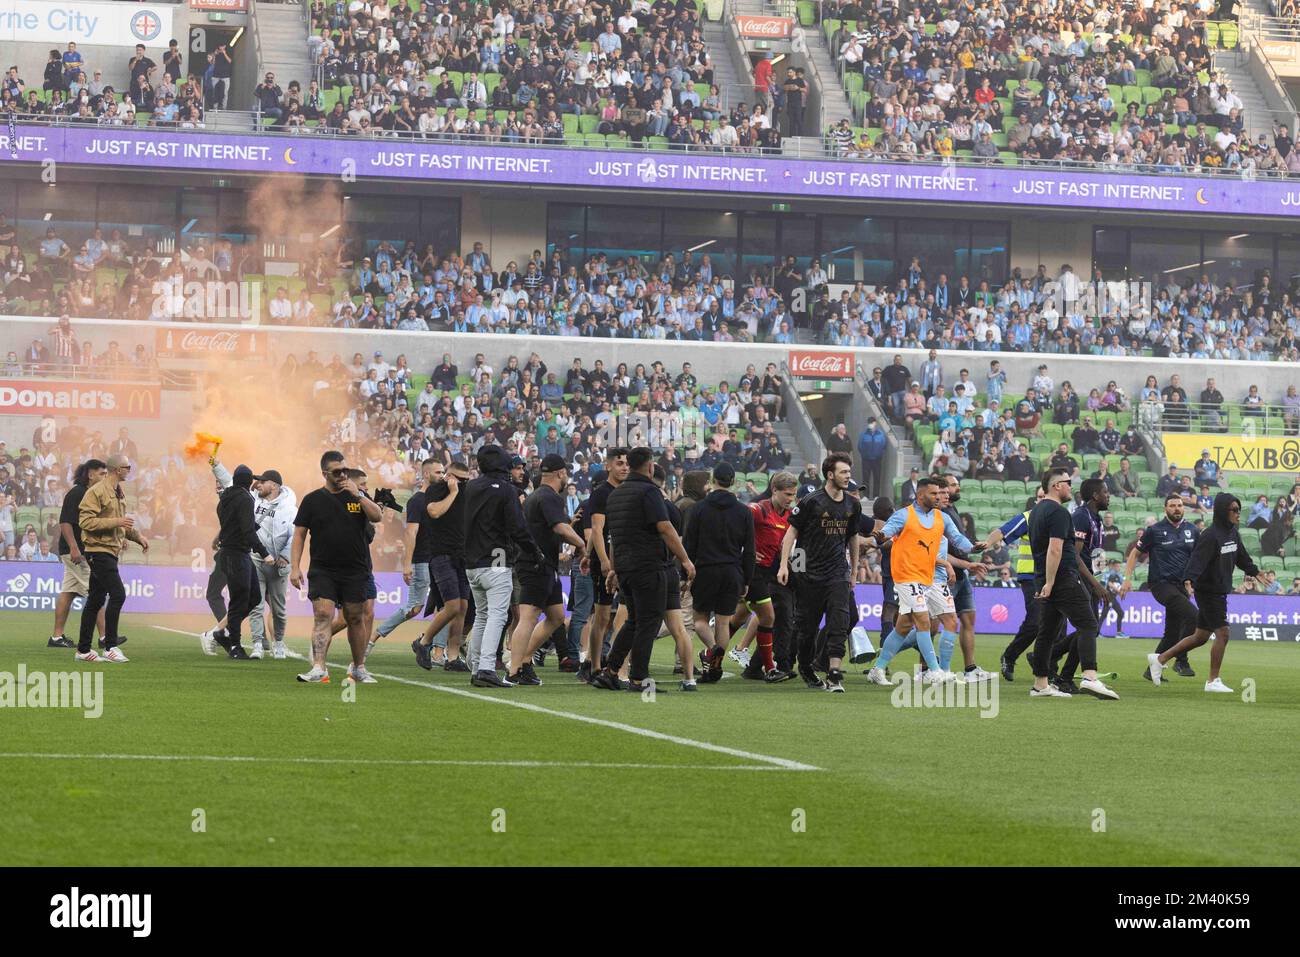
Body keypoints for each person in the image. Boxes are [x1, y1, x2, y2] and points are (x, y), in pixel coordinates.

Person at [592, 447, 695, 692]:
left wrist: (614, 570)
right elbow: (665, 527)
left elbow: (614, 536)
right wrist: (686, 560)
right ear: (650, 466)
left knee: (634, 621)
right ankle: (638, 678)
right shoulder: (650, 492)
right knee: (648, 623)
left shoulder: (616, 494)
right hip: (649, 566)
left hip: (626, 568)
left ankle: (610, 670)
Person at [1148, 493, 1259, 693]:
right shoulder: (1210, 535)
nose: (1238, 514)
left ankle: (1160, 658)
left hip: (1220, 590)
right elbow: (1196, 560)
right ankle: (1212, 680)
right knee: (1223, 634)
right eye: (1234, 510)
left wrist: (1255, 572)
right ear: (1223, 512)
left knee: (1200, 637)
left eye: (1239, 510)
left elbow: (1241, 556)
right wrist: (1189, 581)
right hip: (1208, 592)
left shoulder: (1233, 533)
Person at [290, 450, 383, 684]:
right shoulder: (312, 500)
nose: (343, 475)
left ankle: (359, 668)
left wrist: (359, 496)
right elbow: (299, 534)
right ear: (325, 473)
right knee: (322, 615)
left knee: (354, 617)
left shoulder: (357, 495)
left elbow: (377, 517)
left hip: (356, 569)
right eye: (337, 471)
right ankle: (319, 667)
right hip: (323, 569)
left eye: (345, 470)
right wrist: (295, 567)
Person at [1026, 469, 1119, 699]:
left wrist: (1045, 581)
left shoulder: (1036, 511)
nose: (1072, 487)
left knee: (1047, 632)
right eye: (1068, 483)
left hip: (1044, 577)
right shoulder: (1059, 512)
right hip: (1063, 577)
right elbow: (1056, 548)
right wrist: (1051, 581)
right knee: (1088, 624)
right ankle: (1090, 677)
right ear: (1057, 485)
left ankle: (1040, 684)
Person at [778, 452, 861, 692]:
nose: (848, 476)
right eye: (844, 472)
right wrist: (785, 565)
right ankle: (805, 666)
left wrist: (854, 571)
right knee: (806, 629)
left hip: (838, 573)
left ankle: (834, 672)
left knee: (840, 621)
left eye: (849, 472)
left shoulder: (852, 504)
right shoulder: (811, 501)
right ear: (830, 474)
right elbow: (791, 534)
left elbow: (853, 538)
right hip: (809, 574)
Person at [461, 444, 543, 688]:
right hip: (496, 558)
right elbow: (517, 527)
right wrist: (534, 552)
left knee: (482, 615)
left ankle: (476, 667)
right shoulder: (506, 490)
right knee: (498, 614)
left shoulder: (471, 487)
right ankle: (486, 668)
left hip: (472, 559)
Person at [507, 454, 585, 685]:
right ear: (561, 473)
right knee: (529, 617)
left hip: (544, 564)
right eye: (566, 473)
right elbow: (560, 527)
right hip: (536, 563)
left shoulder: (536, 496)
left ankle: (524, 659)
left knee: (557, 617)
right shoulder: (550, 496)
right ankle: (514, 670)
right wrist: (582, 546)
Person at [1049, 478, 1124, 692]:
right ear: (1094, 495)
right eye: (1105, 492)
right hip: (1077, 578)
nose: (1108, 495)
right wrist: (1096, 585)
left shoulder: (1096, 518)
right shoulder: (1081, 517)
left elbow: (1095, 553)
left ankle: (1052, 663)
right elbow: (1074, 554)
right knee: (1088, 628)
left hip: (1088, 579)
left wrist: (1098, 581)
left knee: (1088, 630)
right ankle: (1061, 672)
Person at [684, 462, 755, 682]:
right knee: (724, 622)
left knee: (700, 620)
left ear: (712, 481)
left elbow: (689, 544)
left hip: (705, 570)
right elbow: (750, 549)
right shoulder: (744, 511)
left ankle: (712, 650)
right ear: (733, 482)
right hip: (732, 571)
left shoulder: (699, 508)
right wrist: (747, 578)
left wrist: (686, 572)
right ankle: (715, 664)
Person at [75, 453, 147, 662]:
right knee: (118, 594)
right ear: (117, 469)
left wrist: (137, 537)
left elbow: (121, 523)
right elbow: (86, 522)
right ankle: (110, 646)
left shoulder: (118, 492)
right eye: (127, 467)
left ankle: (83, 650)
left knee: (95, 600)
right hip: (98, 550)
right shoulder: (96, 492)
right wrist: (117, 522)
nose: (129, 470)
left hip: (109, 550)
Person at [735, 471, 798, 683]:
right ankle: (771, 668)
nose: (790, 499)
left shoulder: (789, 516)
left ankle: (712, 654)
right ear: (774, 490)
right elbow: (733, 527)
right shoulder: (758, 509)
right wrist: (744, 552)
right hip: (752, 573)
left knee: (737, 618)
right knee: (768, 617)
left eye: (793, 495)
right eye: (787, 494)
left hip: (769, 572)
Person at [1124, 493, 1197, 677]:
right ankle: (1181, 661)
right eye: (1172, 505)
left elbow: (1196, 558)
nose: (1176, 508)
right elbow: (1134, 553)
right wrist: (1127, 579)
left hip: (1181, 586)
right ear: (1165, 509)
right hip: (1161, 585)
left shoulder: (1192, 530)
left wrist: (1191, 582)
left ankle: (1151, 670)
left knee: (1172, 633)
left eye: (1179, 505)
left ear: (1184, 508)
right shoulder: (1154, 530)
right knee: (1193, 616)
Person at [412, 458, 473, 671]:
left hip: (463, 556)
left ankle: (453, 657)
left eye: (467, 481)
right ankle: (423, 642)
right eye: (460, 480)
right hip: (441, 555)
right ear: (450, 476)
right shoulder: (437, 490)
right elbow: (435, 512)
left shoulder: (468, 492)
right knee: (452, 606)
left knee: (463, 607)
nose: (464, 484)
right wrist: (453, 492)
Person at [372, 460, 437, 657]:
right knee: (414, 608)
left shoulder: (439, 500)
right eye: (438, 471)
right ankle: (373, 636)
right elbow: (410, 533)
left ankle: (440, 652)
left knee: (450, 605)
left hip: (438, 560)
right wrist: (407, 564)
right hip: (422, 560)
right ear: (426, 474)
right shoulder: (417, 500)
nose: (442, 475)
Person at [982, 487, 1046, 680]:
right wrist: (985, 544)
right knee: (1035, 621)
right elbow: (1002, 532)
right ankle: (1010, 656)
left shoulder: (1059, 518)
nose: (1042, 500)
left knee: (1055, 624)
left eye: (1045, 496)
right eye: (1039, 497)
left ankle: (1046, 663)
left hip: (1052, 578)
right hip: (1031, 577)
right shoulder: (1027, 518)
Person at [211, 464, 271, 660]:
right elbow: (247, 531)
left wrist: (250, 523)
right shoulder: (245, 499)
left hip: (232, 553)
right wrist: (264, 553)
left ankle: (224, 631)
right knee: (239, 601)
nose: (256, 483)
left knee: (253, 597)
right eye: (253, 479)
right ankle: (235, 646)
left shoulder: (225, 499)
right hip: (237, 554)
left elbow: (233, 522)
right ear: (247, 481)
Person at [580, 448, 629, 680]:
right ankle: (595, 665)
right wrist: (603, 560)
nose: (624, 467)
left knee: (625, 614)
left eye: (627, 463)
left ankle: (618, 666)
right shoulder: (601, 494)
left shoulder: (629, 491)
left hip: (628, 560)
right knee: (601, 616)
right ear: (608, 466)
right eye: (619, 463)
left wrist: (587, 554)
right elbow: (597, 530)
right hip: (608, 562)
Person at [48, 459, 107, 650]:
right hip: (76, 552)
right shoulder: (77, 493)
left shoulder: (91, 494)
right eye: (101, 473)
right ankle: (106, 637)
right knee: (96, 591)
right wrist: (74, 547)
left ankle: (57, 638)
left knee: (69, 592)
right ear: (90, 474)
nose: (104, 477)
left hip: (78, 550)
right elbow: (65, 522)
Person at [857, 416, 887, 497]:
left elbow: (884, 446)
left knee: (877, 478)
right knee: (865, 478)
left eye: (872, 422)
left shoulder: (881, 434)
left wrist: (878, 454)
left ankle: (876, 496)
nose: (871, 424)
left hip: (877, 460)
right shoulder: (863, 434)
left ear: (875, 423)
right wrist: (864, 454)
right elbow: (859, 446)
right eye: (869, 423)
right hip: (866, 459)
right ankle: (865, 496)